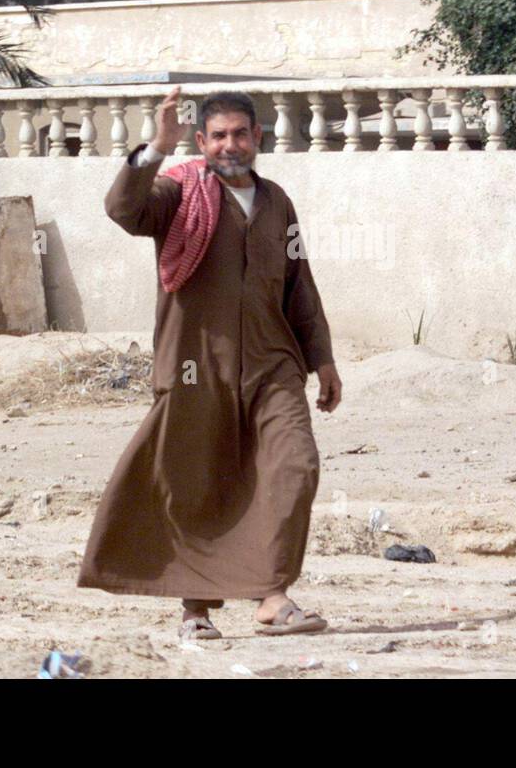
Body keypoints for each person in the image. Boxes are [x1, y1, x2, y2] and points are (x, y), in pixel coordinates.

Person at [77, 85, 343, 640]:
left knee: (295, 468)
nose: (230, 144)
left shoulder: (277, 202)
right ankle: (195, 610)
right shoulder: (177, 194)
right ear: (201, 141)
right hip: (195, 365)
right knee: (198, 484)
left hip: (273, 364)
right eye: (218, 135)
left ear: (258, 138)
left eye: (240, 134)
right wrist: (155, 148)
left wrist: (323, 360)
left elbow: (300, 285)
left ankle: (273, 597)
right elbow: (122, 210)